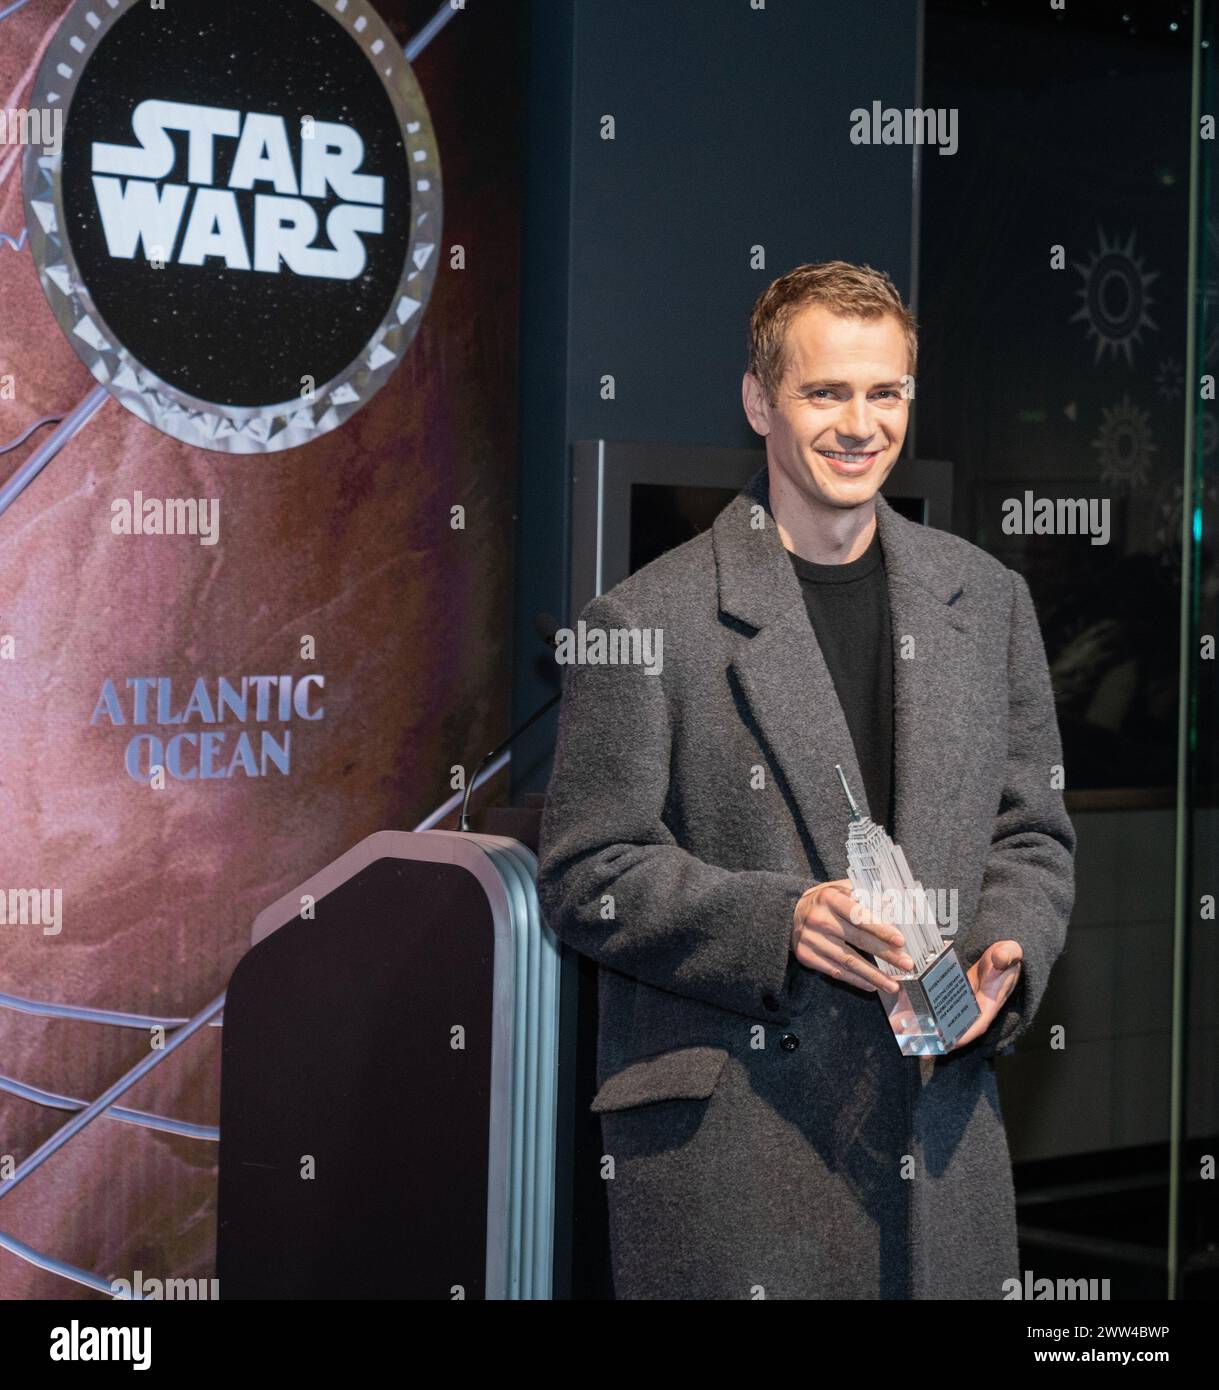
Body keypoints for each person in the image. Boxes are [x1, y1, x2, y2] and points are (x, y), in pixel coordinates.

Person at [535, 260, 1076, 1300]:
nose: (858, 423)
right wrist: (778, 922)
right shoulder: (645, 621)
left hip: (944, 1144)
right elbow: (586, 872)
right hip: (741, 1161)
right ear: (757, 401)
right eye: (824, 391)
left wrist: (1010, 943)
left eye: (884, 392)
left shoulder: (986, 601)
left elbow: (1032, 833)